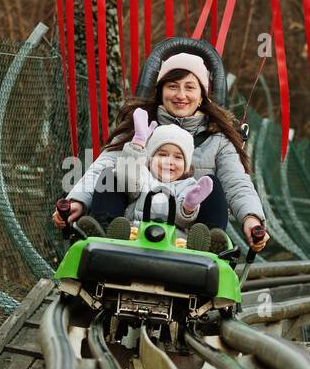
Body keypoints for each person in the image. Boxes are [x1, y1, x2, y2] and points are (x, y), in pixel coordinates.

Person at [52, 50, 269, 251]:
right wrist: (77, 200)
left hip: (188, 231)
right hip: (130, 224)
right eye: (173, 86)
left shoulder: (218, 139)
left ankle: (209, 242)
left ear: (202, 96)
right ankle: (104, 232)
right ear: (161, 91)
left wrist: (252, 218)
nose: (181, 95)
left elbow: (237, 183)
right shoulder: (139, 127)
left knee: (213, 184)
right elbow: (103, 165)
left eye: (190, 87)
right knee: (114, 174)